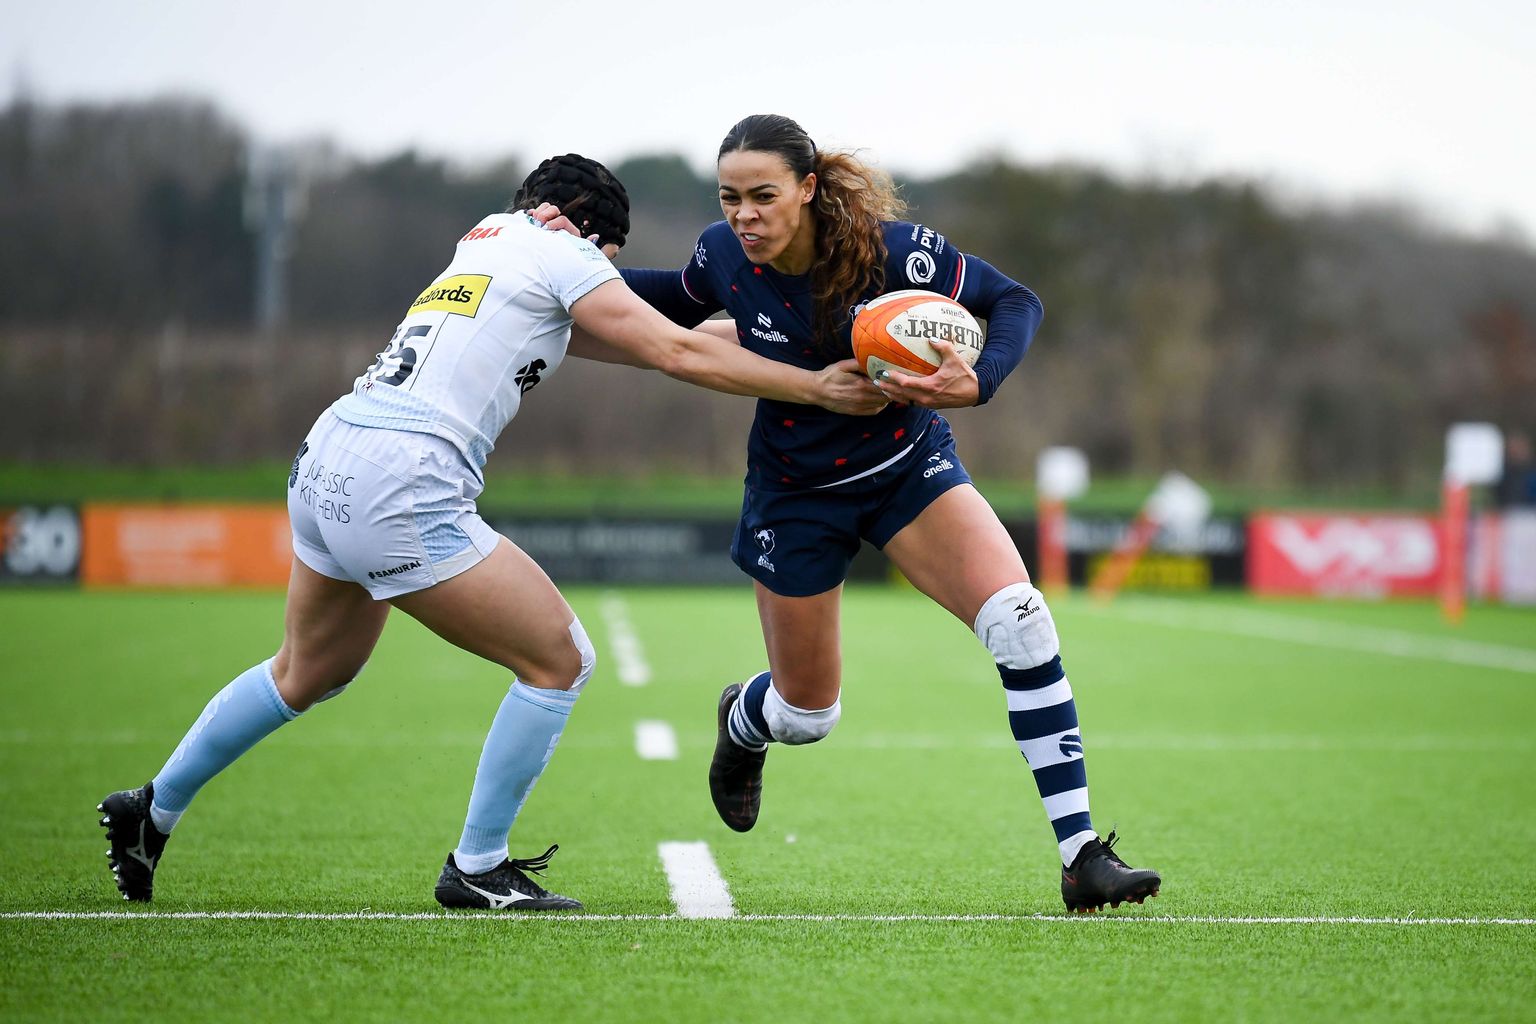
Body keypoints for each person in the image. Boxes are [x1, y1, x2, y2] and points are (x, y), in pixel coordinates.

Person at [98, 153, 886, 911]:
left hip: (330, 453)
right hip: (403, 479)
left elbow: (636, 343)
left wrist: (787, 337)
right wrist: (814, 384)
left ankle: (152, 809)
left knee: (306, 668)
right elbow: (672, 347)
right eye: (610, 256)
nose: (608, 272)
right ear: (590, 234)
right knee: (561, 659)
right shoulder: (565, 253)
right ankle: (478, 866)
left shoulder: (485, 237)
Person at [609, 114, 1161, 912]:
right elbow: (669, 301)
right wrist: (559, 278)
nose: (744, 216)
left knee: (1022, 620)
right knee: (807, 714)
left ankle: (1081, 856)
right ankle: (744, 722)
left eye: (763, 196)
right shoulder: (723, 253)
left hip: (909, 469)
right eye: (730, 198)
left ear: (807, 188)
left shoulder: (892, 251)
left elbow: (1015, 301)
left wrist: (982, 379)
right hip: (794, 493)